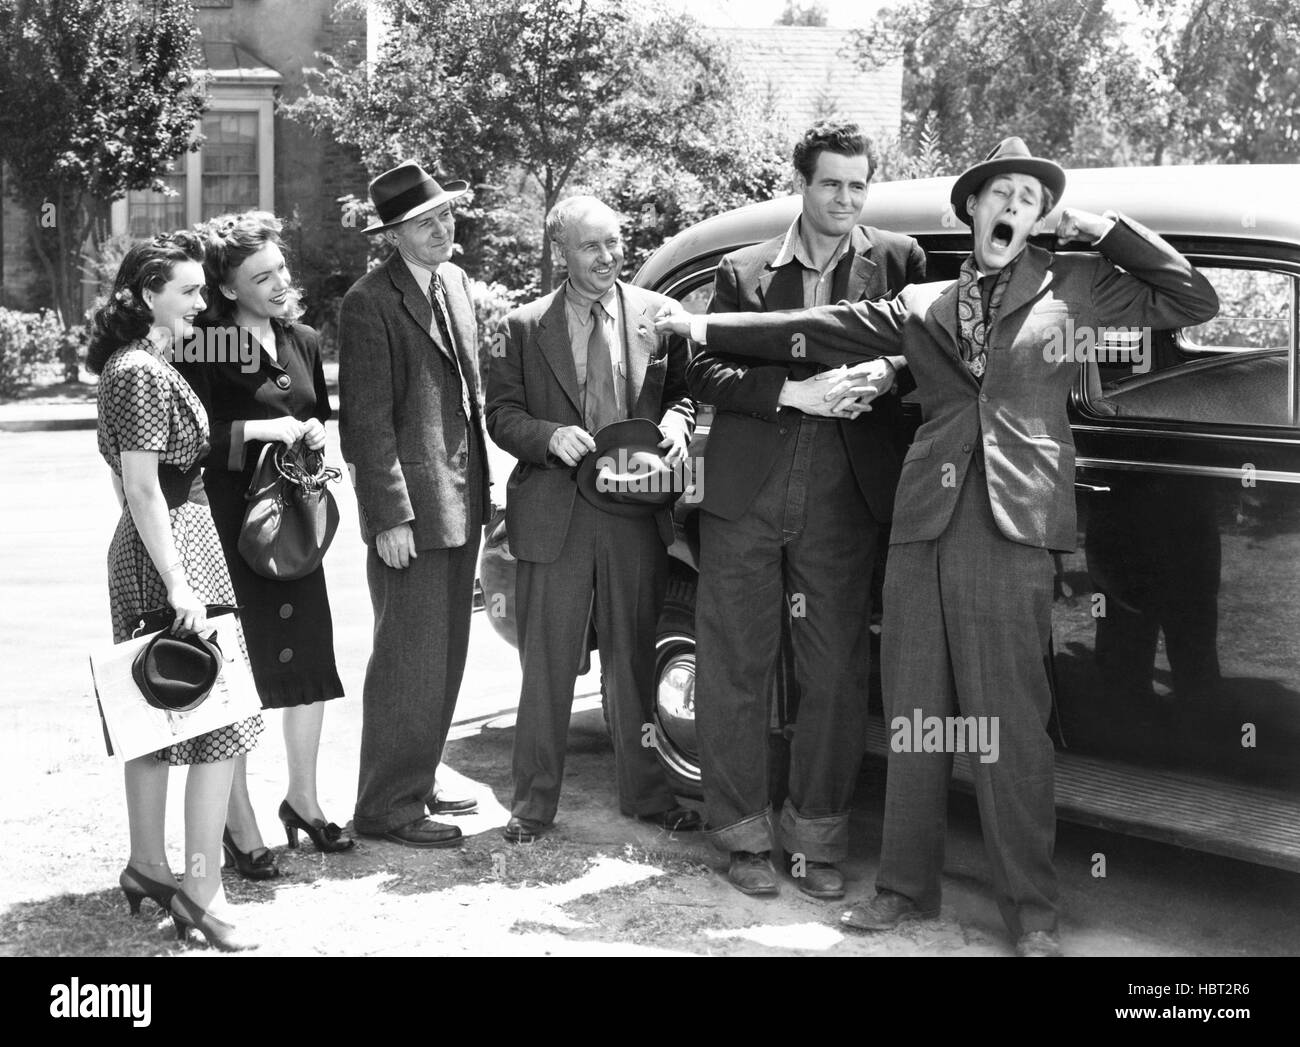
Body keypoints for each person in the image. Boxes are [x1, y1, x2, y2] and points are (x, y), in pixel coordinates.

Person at [657, 137, 1219, 955]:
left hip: (1015, 526)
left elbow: (1191, 296)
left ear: (1042, 215)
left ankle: (1031, 913)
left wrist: (1091, 224)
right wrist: (700, 320)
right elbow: (816, 326)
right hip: (921, 523)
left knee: (1008, 726)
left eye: (1030, 196)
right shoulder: (922, 302)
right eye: (999, 194)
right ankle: (902, 887)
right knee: (919, 715)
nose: (1012, 206)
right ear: (973, 210)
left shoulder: (1078, 284)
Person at [686, 121, 926, 899]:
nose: (847, 200)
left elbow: (926, 348)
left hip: (841, 496)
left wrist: (886, 374)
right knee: (735, 667)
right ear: (803, 183)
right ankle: (742, 837)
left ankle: (817, 840)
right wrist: (786, 389)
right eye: (832, 184)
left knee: (834, 671)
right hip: (746, 493)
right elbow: (703, 365)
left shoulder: (897, 261)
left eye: (859, 186)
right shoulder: (743, 269)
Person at [486, 195, 700, 844]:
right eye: (590, 246)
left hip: (634, 511)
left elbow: (689, 389)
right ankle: (533, 804)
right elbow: (500, 415)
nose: (608, 256)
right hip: (556, 511)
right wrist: (549, 436)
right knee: (548, 663)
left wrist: (677, 420)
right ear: (561, 252)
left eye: (615, 242)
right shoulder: (521, 326)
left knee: (633, 660)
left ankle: (646, 793)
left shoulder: (657, 317)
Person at [90, 231, 264, 951]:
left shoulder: (145, 362)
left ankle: (150, 865)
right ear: (145, 295)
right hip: (171, 552)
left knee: (159, 716)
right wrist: (179, 580)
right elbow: (138, 484)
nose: (203, 301)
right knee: (218, 722)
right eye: (190, 291)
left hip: (172, 546)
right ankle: (200, 886)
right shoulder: (137, 369)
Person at [176, 211, 353, 879]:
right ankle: (239, 822)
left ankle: (302, 800)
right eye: (261, 277)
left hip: (294, 521)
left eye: (281, 270)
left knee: (308, 662)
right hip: (227, 527)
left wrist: (313, 443)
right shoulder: (207, 343)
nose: (280, 284)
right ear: (226, 288)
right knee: (239, 676)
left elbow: (316, 420)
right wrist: (263, 432)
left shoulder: (303, 339)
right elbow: (191, 440)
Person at [339, 160, 490, 847]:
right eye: (424, 222)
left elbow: (470, 399)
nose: (442, 228)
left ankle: (419, 780)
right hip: (413, 511)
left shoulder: (455, 283)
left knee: (447, 652)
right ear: (392, 235)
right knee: (407, 657)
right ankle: (386, 807)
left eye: (446, 215)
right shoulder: (368, 303)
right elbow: (365, 424)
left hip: (463, 499)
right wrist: (389, 516)